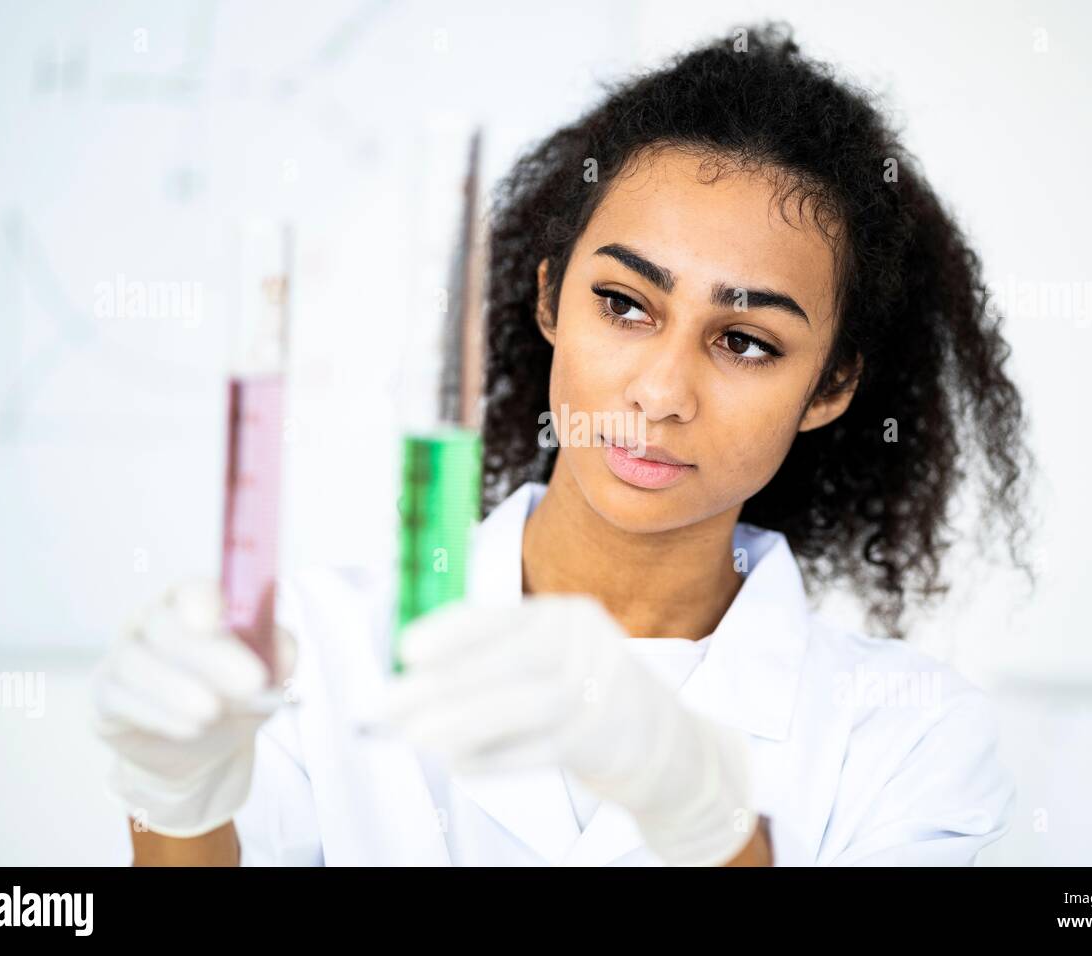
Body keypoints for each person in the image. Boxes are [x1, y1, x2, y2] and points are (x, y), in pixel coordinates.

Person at [91, 22, 1035, 866]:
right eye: (624, 304)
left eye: (745, 342)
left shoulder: (908, 738)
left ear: (829, 385)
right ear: (548, 298)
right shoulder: (309, 651)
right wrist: (174, 809)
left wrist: (711, 825)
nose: (659, 393)